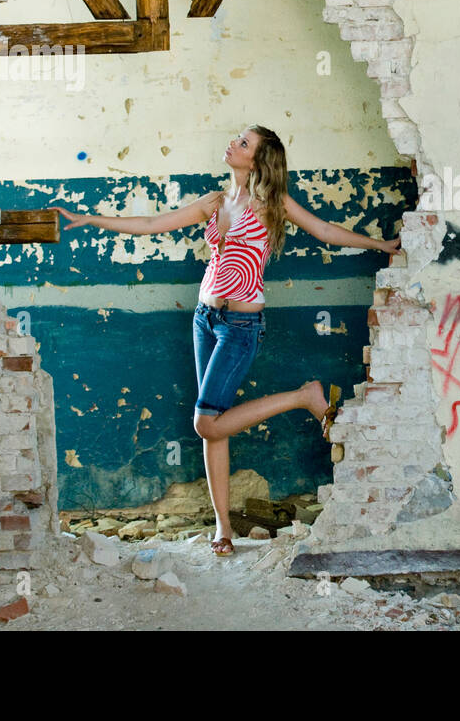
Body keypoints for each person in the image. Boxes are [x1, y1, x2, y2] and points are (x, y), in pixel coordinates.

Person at [52, 124, 400, 556]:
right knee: (213, 429)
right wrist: (92, 219)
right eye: (236, 139)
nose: (233, 144)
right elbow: (150, 224)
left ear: (257, 159)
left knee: (206, 421)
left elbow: (325, 230)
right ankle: (223, 528)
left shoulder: (272, 204)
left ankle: (305, 395)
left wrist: (380, 244)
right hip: (204, 319)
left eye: (243, 143)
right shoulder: (216, 202)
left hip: (239, 327)